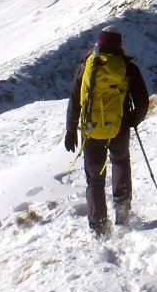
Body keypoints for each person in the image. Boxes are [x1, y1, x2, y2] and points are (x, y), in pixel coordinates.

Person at [64, 25, 150, 236]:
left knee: (95, 179)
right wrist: (131, 121)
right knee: (120, 162)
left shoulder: (87, 66)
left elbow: (75, 100)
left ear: (99, 43)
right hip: (119, 127)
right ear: (119, 45)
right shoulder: (128, 68)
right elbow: (142, 102)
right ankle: (123, 213)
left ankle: (99, 227)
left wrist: (70, 129)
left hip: (91, 130)